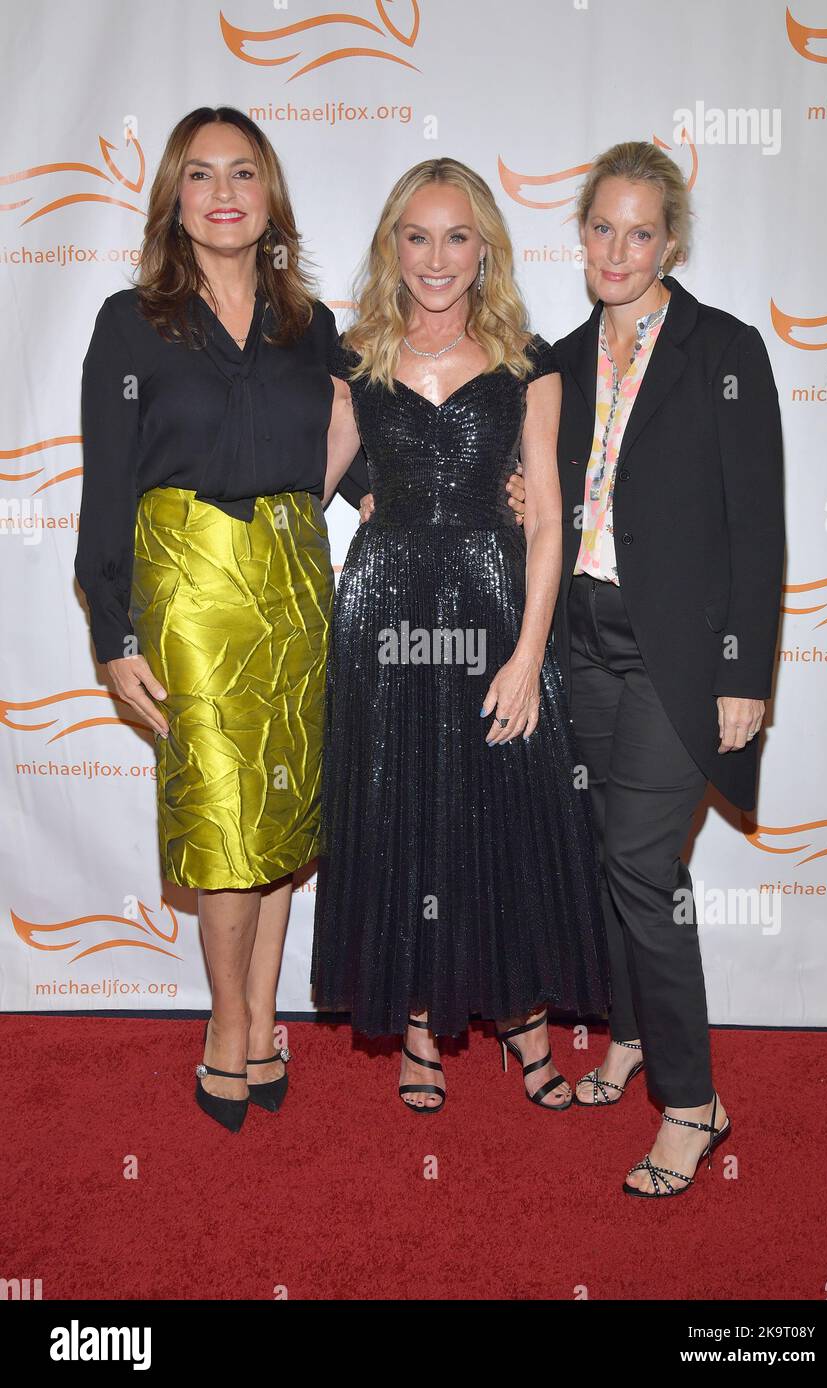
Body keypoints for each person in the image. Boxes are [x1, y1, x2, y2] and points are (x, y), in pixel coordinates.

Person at [310, 157, 611, 1113]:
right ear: (391, 246)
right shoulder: (356, 360)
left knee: (504, 815)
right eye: (416, 236)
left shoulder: (530, 361)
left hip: (491, 612)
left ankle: (520, 1016)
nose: (435, 258)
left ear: (484, 250)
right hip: (384, 614)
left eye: (456, 237)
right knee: (402, 809)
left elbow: (547, 516)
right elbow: (305, 486)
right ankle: (412, 1025)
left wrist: (528, 656)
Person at [74, 107, 338, 1132]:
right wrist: (116, 632)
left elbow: (369, 436)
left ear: (269, 196)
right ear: (174, 201)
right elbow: (105, 492)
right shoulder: (129, 321)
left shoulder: (309, 325)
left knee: (278, 819)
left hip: (294, 580)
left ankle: (264, 1016)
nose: (223, 191)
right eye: (199, 174)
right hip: (186, 585)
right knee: (223, 821)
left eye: (242, 172)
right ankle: (228, 1025)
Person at [551, 142, 785, 1194]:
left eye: (639, 231)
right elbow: (556, 509)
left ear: (672, 243)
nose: (617, 248)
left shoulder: (724, 350)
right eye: (601, 226)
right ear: (582, 233)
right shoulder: (556, 360)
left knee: (645, 871)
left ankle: (692, 1100)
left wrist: (742, 674)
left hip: (675, 660)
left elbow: (757, 526)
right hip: (581, 644)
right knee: (614, 857)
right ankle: (630, 1036)